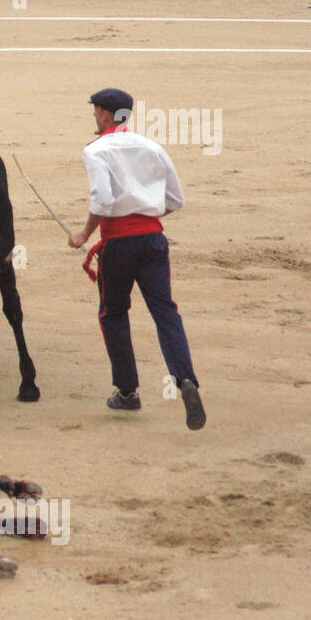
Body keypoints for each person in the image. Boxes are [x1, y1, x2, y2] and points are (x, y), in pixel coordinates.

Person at [69, 88, 206, 430]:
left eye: (96, 112)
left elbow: (102, 201)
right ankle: (185, 378)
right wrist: (143, 218)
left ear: (103, 114)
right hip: (154, 240)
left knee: (113, 313)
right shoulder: (151, 147)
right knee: (165, 312)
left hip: (118, 245)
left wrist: (84, 234)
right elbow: (175, 200)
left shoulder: (96, 150)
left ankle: (128, 392)